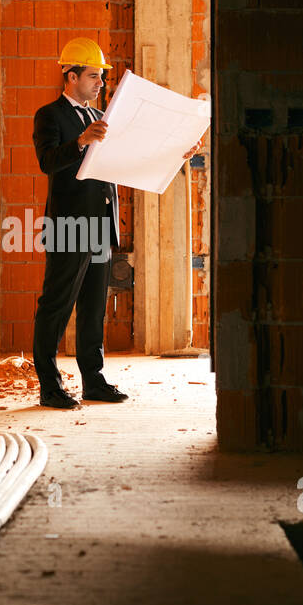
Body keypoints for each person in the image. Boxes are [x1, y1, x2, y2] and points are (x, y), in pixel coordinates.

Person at [30, 37, 203, 409]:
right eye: (94, 76)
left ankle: (93, 380)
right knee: (57, 305)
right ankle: (49, 386)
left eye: (102, 78)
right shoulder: (50, 115)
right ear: (71, 75)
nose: (100, 84)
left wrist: (176, 151)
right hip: (68, 226)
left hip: (99, 227)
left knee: (93, 306)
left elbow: (131, 155)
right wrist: (78, 142)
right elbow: (47, 161)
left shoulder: (99, 117)